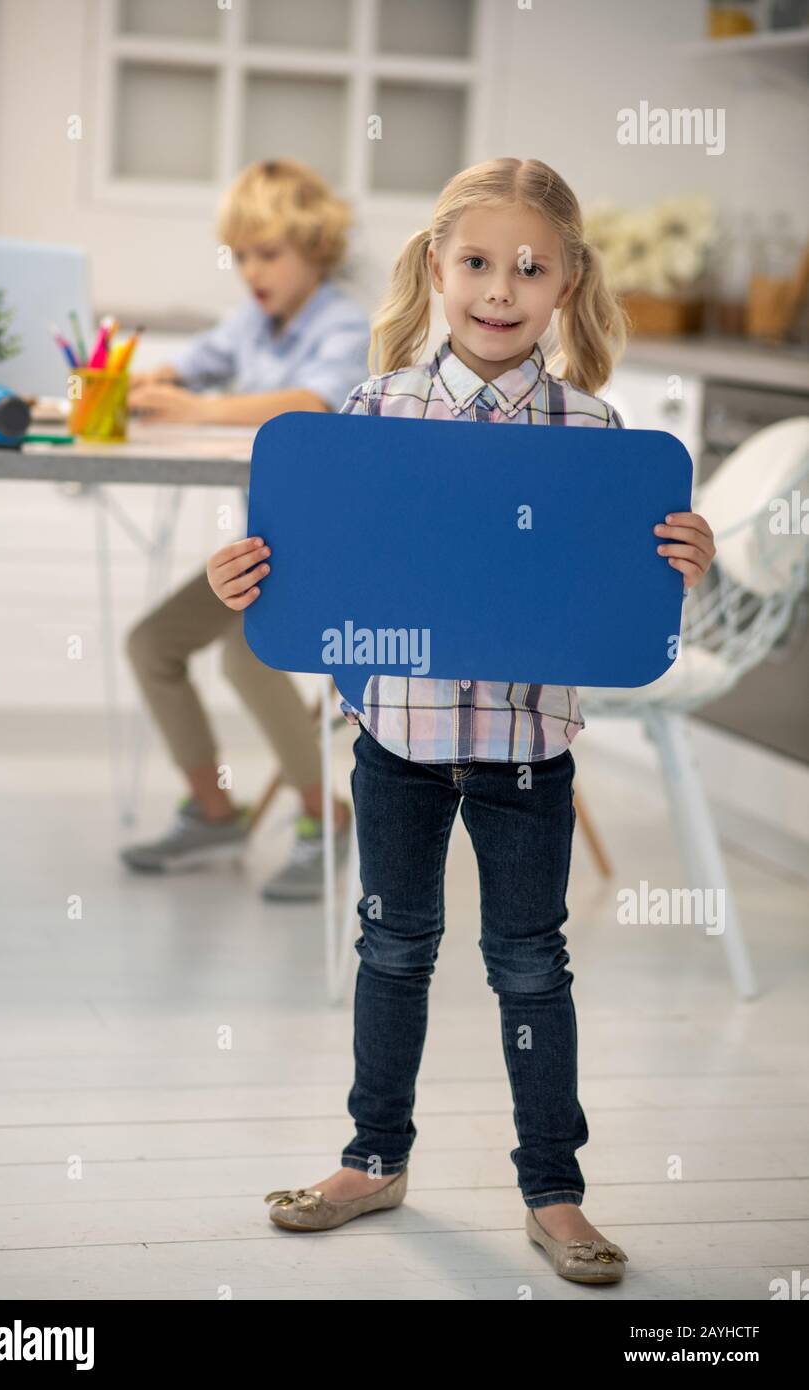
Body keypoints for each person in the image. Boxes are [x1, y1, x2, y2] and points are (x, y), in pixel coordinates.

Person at [207, 157, 716, 1284]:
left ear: (568, 283)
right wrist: (250, 577)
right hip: (397, 747)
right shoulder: (371, 413)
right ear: (436, 268)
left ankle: (553, 1188)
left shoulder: (596, 434)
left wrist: (685, 565)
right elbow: (320, 570)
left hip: (528, 758)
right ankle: (371, 1156)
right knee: (391, 950)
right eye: (477, 262)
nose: (500, 288)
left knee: (529, 964)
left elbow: (621, 600)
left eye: (529, 269)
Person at [120, 159, 370, 900]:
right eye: (241, 256)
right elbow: (190, 365)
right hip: (267, 552)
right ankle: (214, 811)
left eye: (269, 254)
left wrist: (196, 410)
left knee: (245, 657)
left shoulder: (343, 320)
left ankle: (325, 821)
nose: (252, 272)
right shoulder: (253, 321)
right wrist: (144, 380)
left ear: (315, 251)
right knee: (152, 643)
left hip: (338, 552)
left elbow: (311, 404)